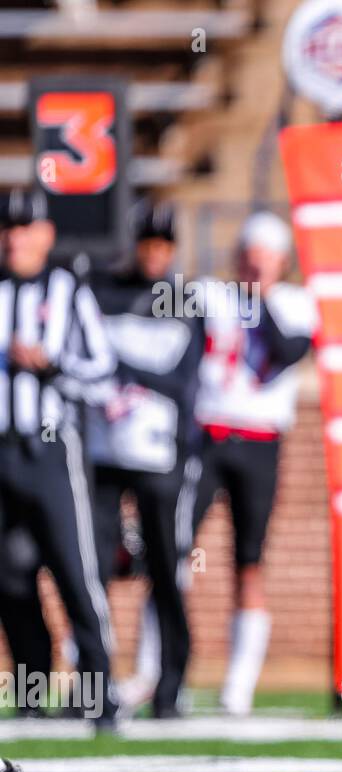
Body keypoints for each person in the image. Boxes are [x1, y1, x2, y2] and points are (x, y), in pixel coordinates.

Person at [189, 211, 318, 715]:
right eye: (248, 257)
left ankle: (237, 686)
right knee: (173, 552)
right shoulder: (207, 294)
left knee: (249, 562)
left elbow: (287, 349)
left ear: (282, 262)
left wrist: (259, 298)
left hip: (261, 440)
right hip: (206, 435)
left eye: (265, 259)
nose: (254, 266)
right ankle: (161, 673)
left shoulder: (295, 303)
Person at [0, 188, 117, 727]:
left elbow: (102, 372)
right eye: (8, 228)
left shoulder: (66, 288)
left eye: (25, 228)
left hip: (49, 447)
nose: (15, 238)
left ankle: (98, 691)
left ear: (46, 236)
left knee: (75, 569)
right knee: (9, 577)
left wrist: (50, 365)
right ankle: (31, 692)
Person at [87, 202, 204, 719]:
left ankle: (169, 683)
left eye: (164, 246)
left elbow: (185, 384)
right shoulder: (100, 293)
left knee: (165, 565)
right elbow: (81, 362)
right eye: (147, 244)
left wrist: (120, 365)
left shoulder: (184, 301)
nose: (154, 255)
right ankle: (92, 682)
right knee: (92, 566)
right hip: (102, 454)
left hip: (161, 456)